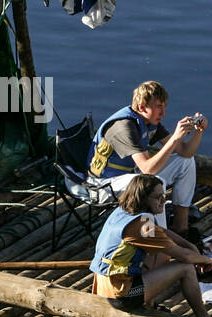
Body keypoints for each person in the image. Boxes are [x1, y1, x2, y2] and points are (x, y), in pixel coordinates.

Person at [91, 174, 212, 317]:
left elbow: (161, 231)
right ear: (143, 198)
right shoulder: (140, 226)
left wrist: (189, 245)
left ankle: (149, 303)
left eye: (164, 195)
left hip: (104, 285)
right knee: (186, 268)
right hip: (121, 296)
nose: (164, 201)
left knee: (162, 254)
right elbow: (185, 257)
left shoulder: (124, 211)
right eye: (158, 197)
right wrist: (205, 260)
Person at [88, 80, 205, 238]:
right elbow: (148, 169)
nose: (163, 113)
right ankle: (161, 240)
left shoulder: (148, 121)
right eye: (158, 107)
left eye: (164, 106)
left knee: (185, 163)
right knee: (154, 183)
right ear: (142, 107)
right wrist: (175, 138)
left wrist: (199, 131)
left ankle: (180, 228)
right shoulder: (124, 127)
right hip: (103, 185)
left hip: (130, 176)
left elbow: (186, 152)